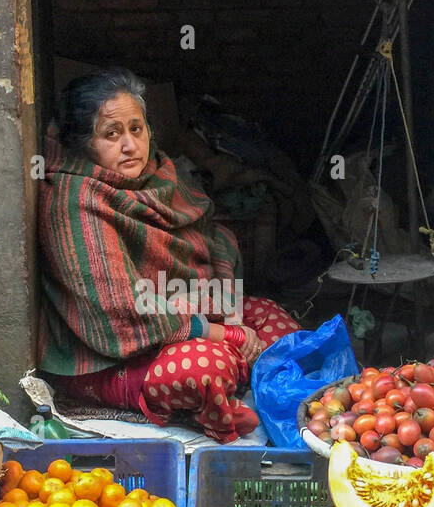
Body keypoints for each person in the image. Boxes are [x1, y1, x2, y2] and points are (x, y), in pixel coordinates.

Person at [38, 68, 302, 443]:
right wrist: (220, 333)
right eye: (111, 134)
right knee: (205, 369)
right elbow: (119, 313)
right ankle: (220, 402)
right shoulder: (75, 202)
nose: (130, 145)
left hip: (178, 313)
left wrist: (220, 309)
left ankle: (247, 387)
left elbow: (209, 236)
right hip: (107, 355)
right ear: (84, 144)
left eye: (136, 128)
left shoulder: (158, 176)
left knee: (276, 323)